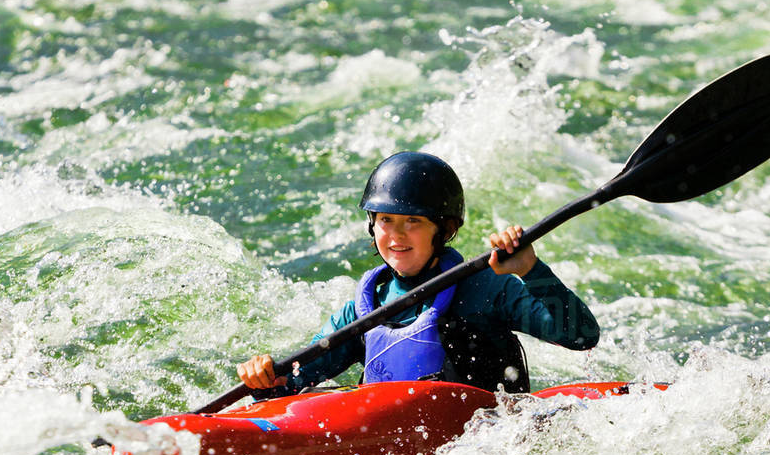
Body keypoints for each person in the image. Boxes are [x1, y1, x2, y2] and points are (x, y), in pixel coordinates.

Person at [237, 151, 599, 396]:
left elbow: (581, 335)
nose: (396, 234)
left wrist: (530, 270)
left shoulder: (486, 289)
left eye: (413, 221)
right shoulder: (366, 306)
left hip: (483, 440)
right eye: (385, 221)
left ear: (444, 229)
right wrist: (266, 377)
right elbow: (296, 381)